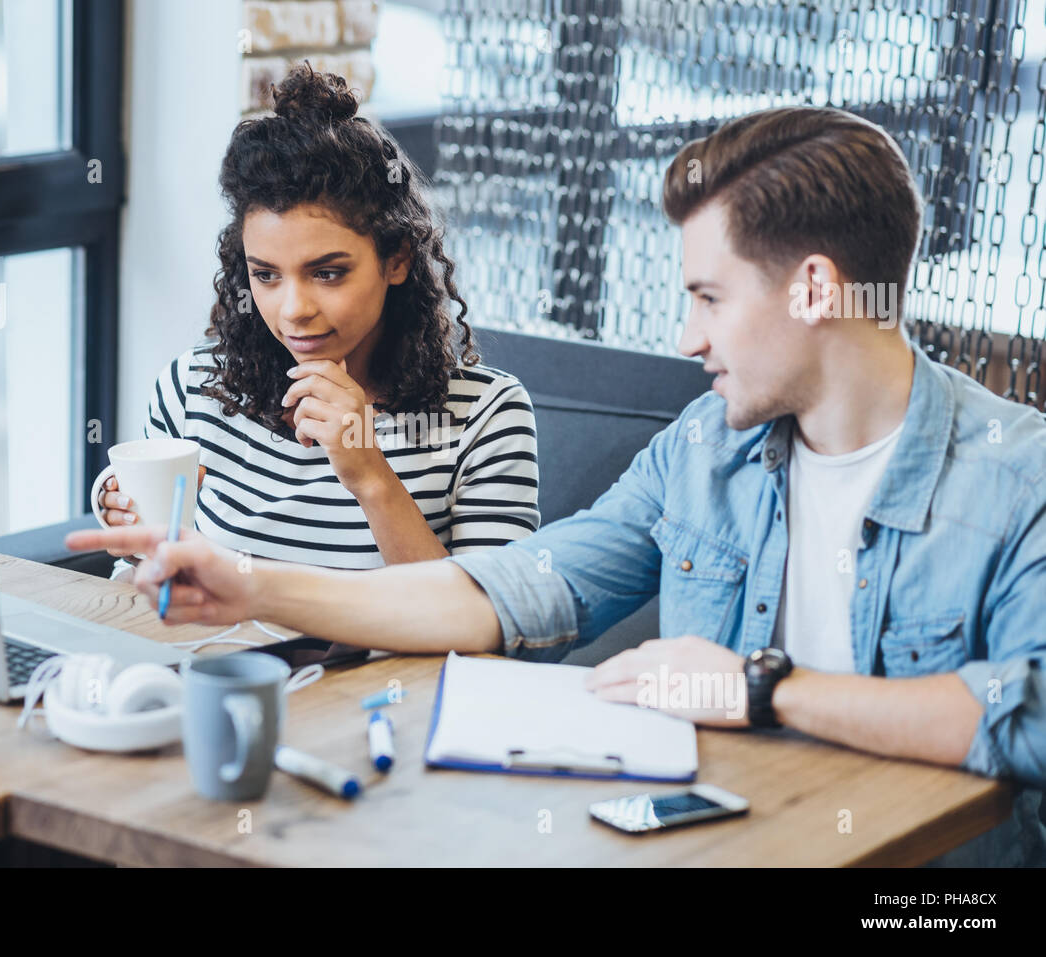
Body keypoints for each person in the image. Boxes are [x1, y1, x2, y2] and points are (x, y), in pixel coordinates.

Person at [69, 106, 1046, 865]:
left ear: (816, 290)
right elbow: (519, 586)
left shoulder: (1018, 476)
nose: (687, 337)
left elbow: (1028, 717)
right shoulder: (704, 449)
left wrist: (755, 689)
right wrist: (250, 587)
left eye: (708, 297)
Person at [96, 64, 539, 583]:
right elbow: (156, 567)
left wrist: (370, 476)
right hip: (219, 664)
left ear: (396, 260)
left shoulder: (486, 416)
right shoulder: (195, 388)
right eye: (266, 275)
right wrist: (122, 515)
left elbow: (489, 625)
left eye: (328, 273)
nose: (293, 310)